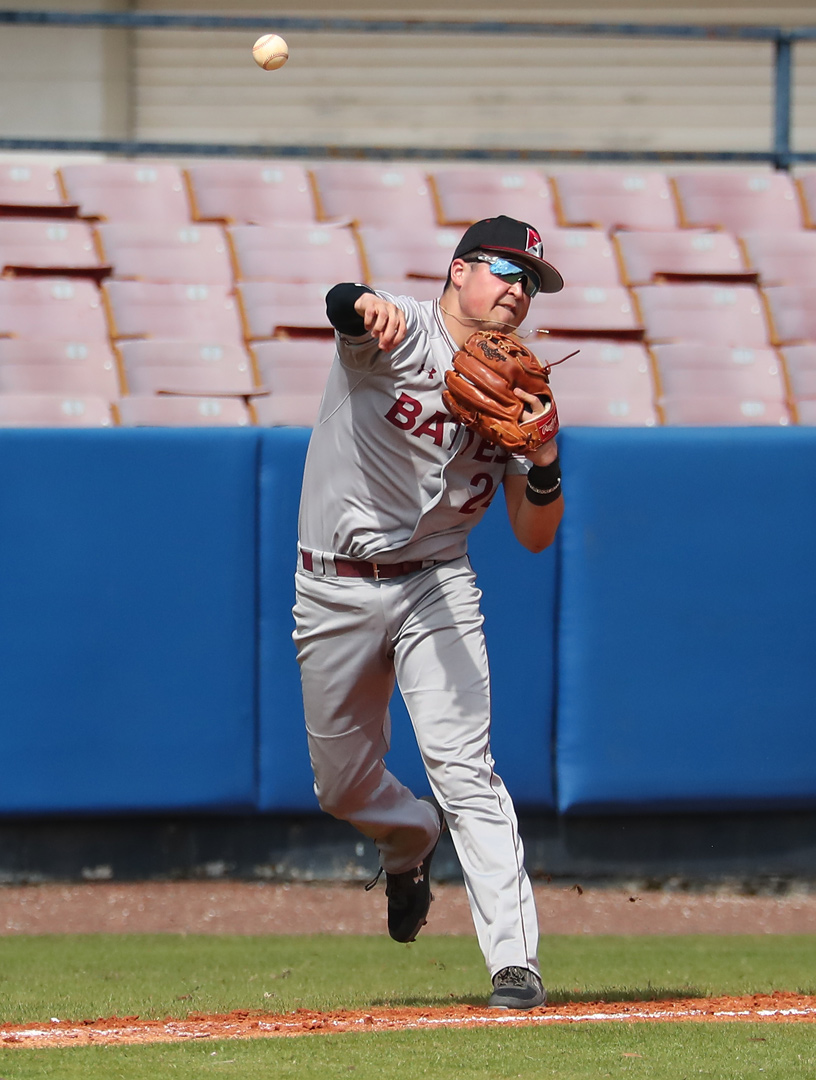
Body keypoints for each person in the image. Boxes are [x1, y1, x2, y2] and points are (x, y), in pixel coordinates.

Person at [292, 215, 565, 1010]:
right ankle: (409, 838)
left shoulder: (520, 382)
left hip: (437, 582)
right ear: (458, 272)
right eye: (505, 273)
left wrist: (544, 459)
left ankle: (514, 963)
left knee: (463, 767)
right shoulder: (406, 329)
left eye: (530, 284)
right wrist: (361, 304)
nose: (518, 291)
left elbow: (535, 535)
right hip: (335, 583)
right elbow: (349, 308)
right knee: (340, 788)